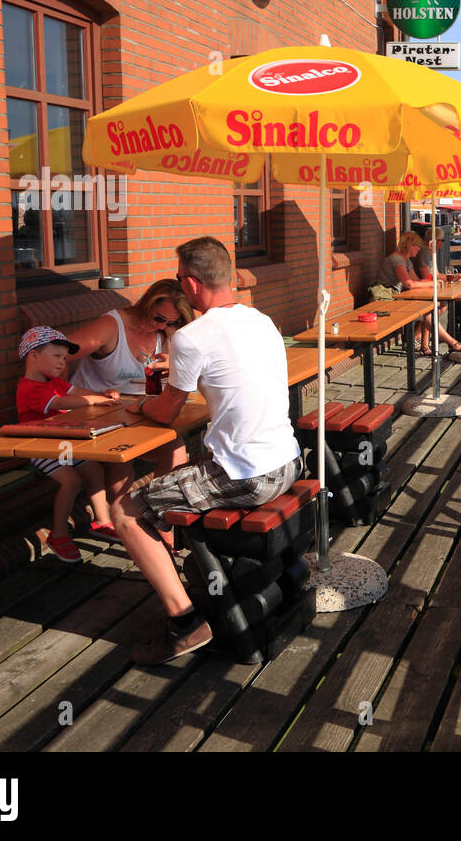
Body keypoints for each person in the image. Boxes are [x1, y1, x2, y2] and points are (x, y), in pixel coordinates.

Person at [112, 237, 301, 664]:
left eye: (180, 280)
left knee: (124, 509)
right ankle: (197, 569)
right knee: (184, 474)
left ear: (193, 284)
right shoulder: (262, 320)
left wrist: (138, 404)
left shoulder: (192, 337)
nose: (181, 288)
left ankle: (186, 622)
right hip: (288, 460)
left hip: (249, 475)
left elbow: (164, 413)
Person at [67, 280, 196, 538]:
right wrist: (80, 397)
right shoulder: (112, 326)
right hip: (99, 414)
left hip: (139, 410)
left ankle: (158, 528)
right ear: (146, 303)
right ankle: (133, 530)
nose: (161, 326)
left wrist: (173, 341)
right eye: (159, 317)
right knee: (123, 457)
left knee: (176, 451)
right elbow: (56, 352)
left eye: (171, 322)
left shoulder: (165, 334)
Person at [16, 326, 122, 562]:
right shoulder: (29, 388)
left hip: (63, 444)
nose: (62, 362)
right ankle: (59, 534)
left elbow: (79, 392)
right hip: (39, 445)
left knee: (95, 470)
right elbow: (63, 402)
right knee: (71, 480)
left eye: (64, 358)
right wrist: (93, 400)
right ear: (33, 356)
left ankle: (102, 522)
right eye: (56, 356)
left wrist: (103, 395)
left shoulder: (55, 382)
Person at [372, 232, 461, 355]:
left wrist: (433, 281)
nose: (419, 248)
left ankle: (425, 345)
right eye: (416, 245)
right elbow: (409, 284)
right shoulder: (396, 260)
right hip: (385, 301)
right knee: (428, 310)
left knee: (431, 308)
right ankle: (452, 343)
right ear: (409, 245)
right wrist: (432, 284)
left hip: (395, 297)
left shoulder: (406, 261)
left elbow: (416, 281)